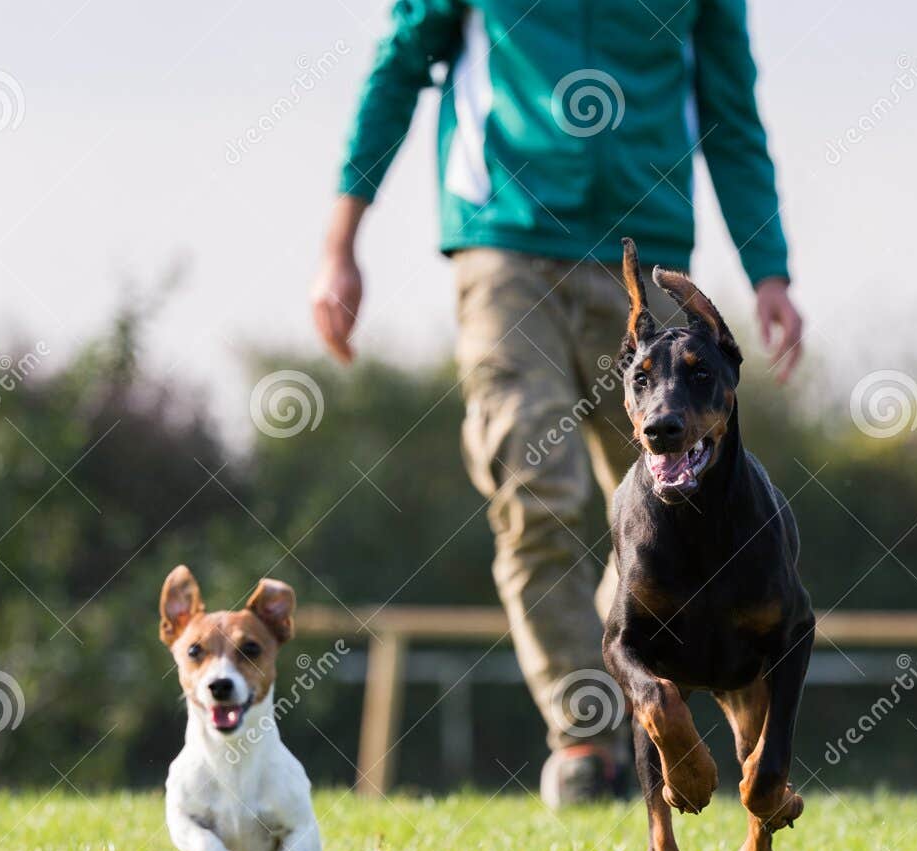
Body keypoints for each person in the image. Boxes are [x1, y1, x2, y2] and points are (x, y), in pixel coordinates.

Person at [313, 0, 802, 807]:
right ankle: (586, 737)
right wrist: (341, 242)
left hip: (642, 250)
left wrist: (770, 269)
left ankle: (665, 710)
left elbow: (730, 106)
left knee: (677, 499)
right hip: (505, 240)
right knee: (535, 488)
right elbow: (401, 63)